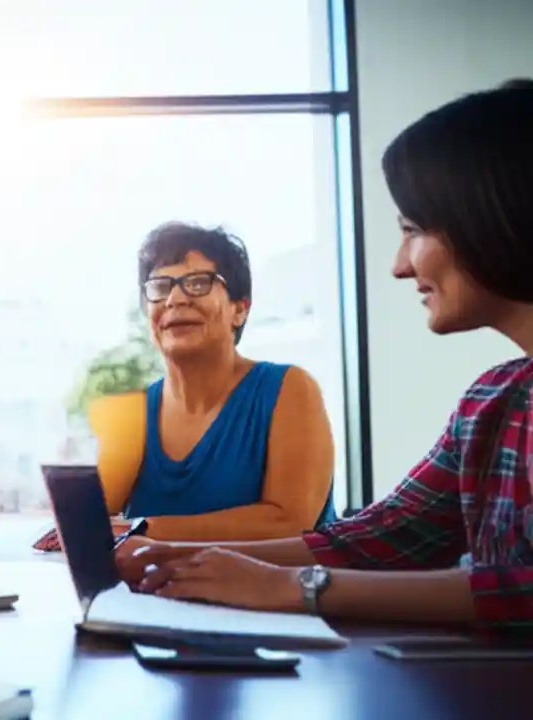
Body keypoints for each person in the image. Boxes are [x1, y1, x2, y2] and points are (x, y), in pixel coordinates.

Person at [116, 84, 533, 631]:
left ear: (491, 215)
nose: (399, 266)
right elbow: (385, 535)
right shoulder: (490, 402)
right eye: (161, 287)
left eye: (412, 231)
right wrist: (184, 557)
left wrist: (293, 586)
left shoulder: (284, 387)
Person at [86, 223, 335, 543]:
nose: (175, 298)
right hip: (152, 593)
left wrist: (145, 528)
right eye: (160, 287)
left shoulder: (289, 388)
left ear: (240, 309)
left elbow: (289, 522)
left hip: (274, 592)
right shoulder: (136, 412)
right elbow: (90, 524)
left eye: (198, 283)